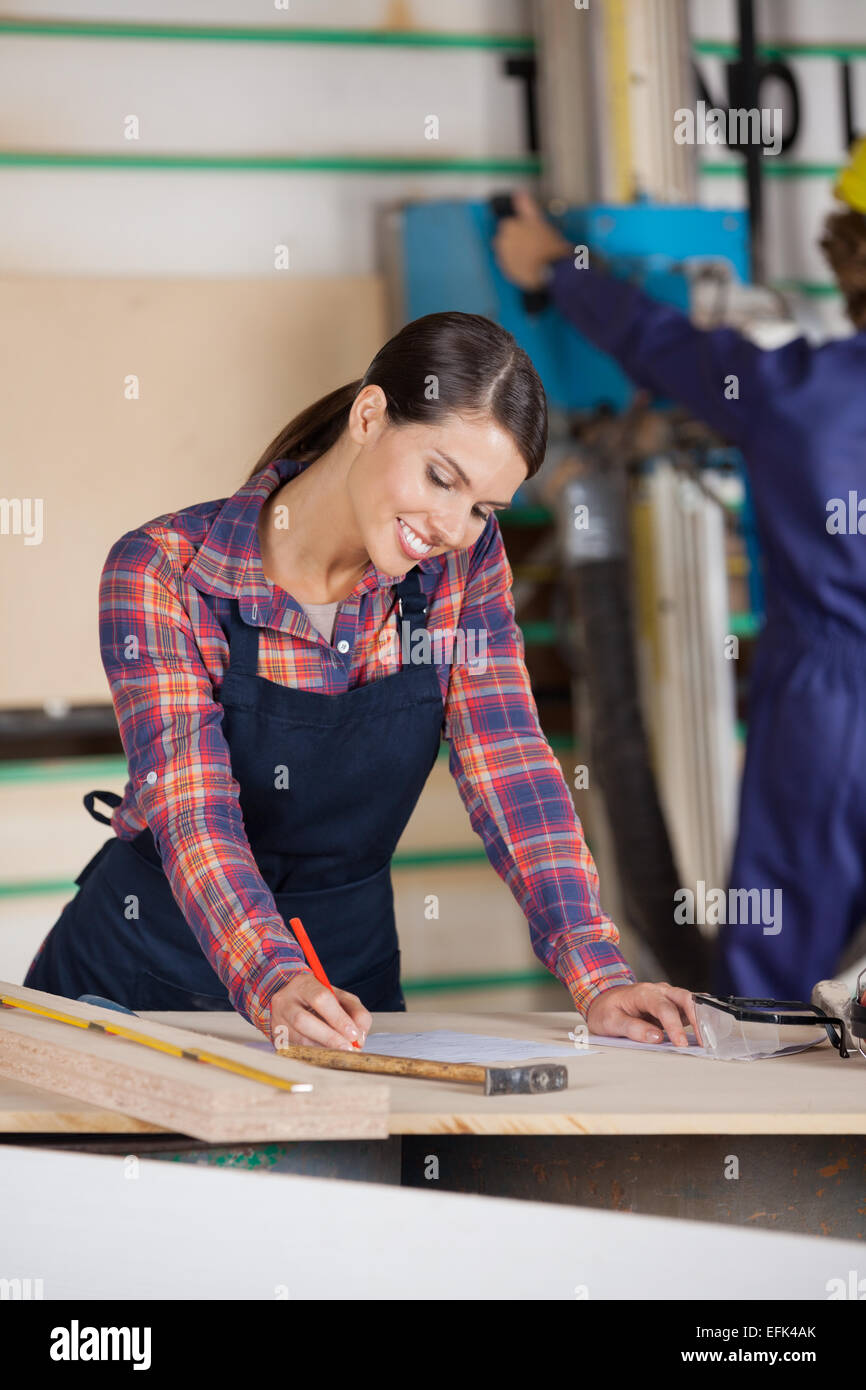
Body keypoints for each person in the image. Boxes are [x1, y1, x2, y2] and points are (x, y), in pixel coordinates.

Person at [25, 311, 698, 1049]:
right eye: (441, 477)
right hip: (138, 975)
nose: (450, 525)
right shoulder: (167, 570)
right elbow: (195, 812)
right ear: (370, 415)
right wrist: (275, 977)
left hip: (346, 986)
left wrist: (596, 971)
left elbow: (510, 767)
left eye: (481, 507)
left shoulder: (460, 570)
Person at [493, 139, 866, 1000]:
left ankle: (758, 1135)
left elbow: (658, 341)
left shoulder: (796, 391)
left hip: (828, 711)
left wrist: (558, 265)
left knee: (776, 985)